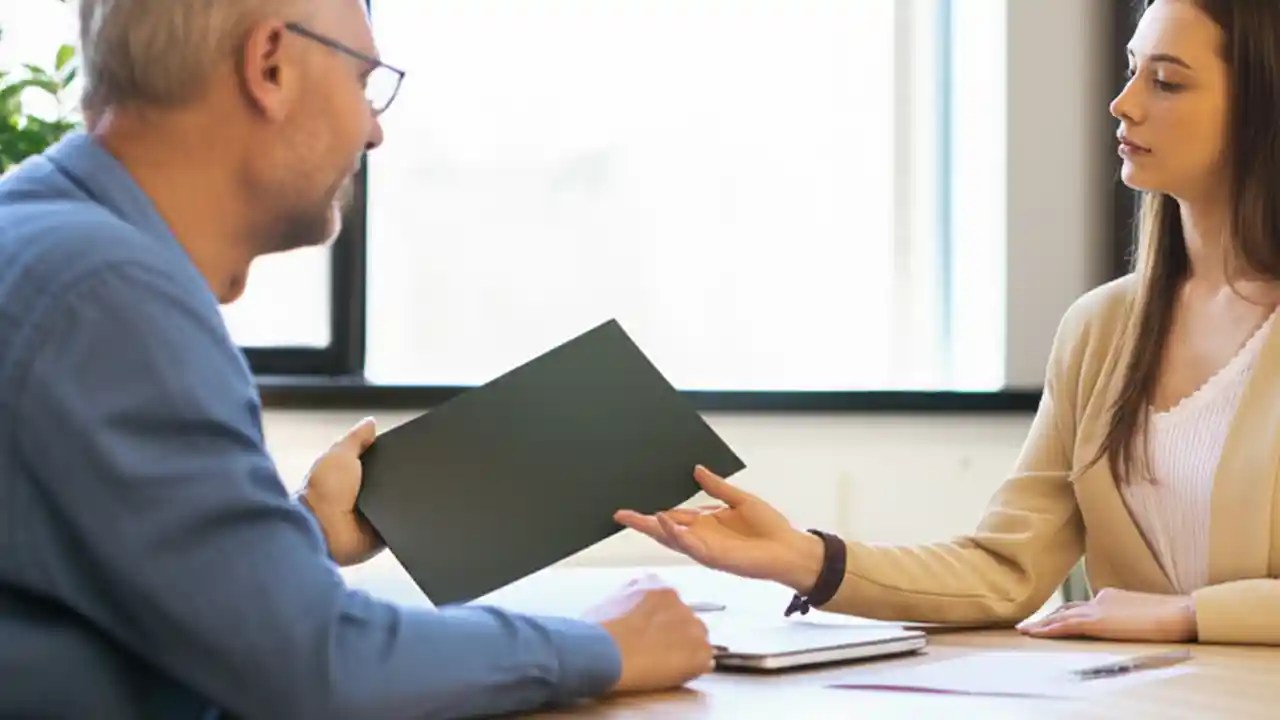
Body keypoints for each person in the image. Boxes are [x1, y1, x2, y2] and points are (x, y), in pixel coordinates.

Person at [0, 1, 713, 718]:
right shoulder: (104, 296)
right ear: (271, 65)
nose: (374, 130)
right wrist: (602, 645)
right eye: (365, 82)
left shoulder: (40, 242)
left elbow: (114, 607)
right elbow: (312, 666)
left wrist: (303, 531)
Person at [618, 0, 1280, 648]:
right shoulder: (1101, 329)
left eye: (1166, 81)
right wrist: (804, 557)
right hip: (1147, 696)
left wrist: (1188, 615)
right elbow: (1005, 569)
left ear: (1262, 106)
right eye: (1132, 70)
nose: (1123, 103)